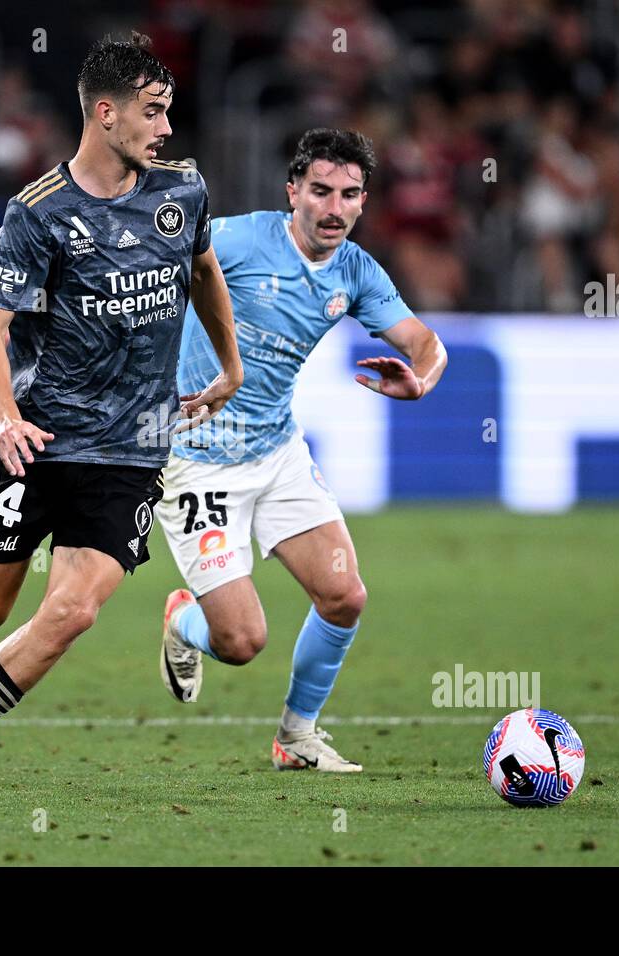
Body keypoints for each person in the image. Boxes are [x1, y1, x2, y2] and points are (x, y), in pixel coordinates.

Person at [0, 33, 243, 802]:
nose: (166, 127)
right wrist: (5, 418)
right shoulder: (37, 214)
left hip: (133, 448)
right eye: (152, 112)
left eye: (168, 112)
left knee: (71, 612)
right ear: (105, 114)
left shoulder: (183, 193)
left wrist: (230, 365)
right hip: (33, 439)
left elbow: (203, 269)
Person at [155, 128, 447, 772]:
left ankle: (296, 735)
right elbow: (149, 279)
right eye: (319, 191)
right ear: (293, 192)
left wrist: (421, 378)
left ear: (364, 202)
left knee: (345, 595)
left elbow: (424, 341)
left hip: (277, 452)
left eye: (348, 195)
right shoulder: (233, 239)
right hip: (196, 459)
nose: (333, 208)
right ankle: (184, 623)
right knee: (240, 641)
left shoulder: (356, 273)